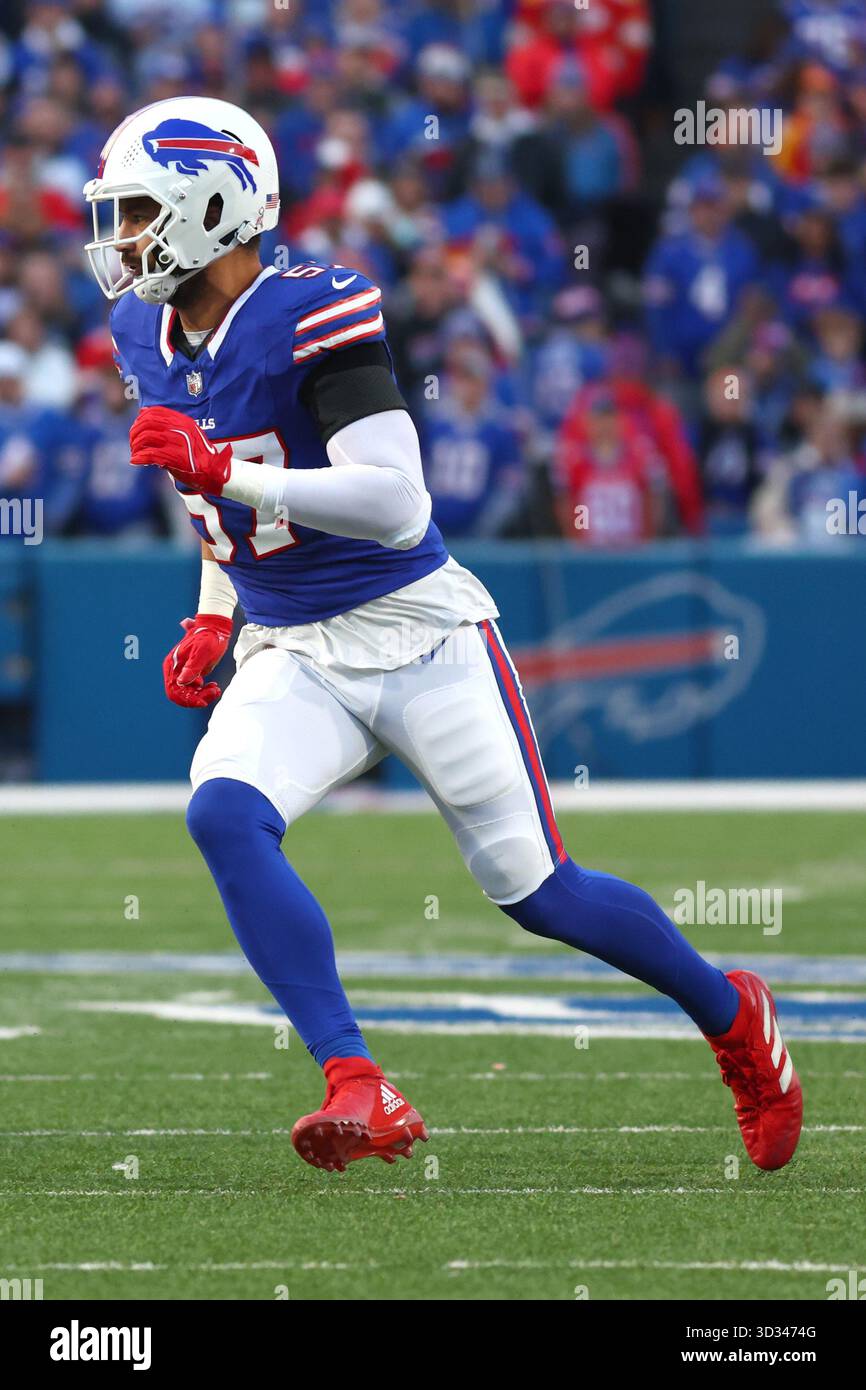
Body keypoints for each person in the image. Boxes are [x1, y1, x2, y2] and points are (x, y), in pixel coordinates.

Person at [84, 95, 803, 1175]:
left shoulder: (313, 308)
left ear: (213, 200)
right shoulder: (142, 326)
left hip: (418, 633)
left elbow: (396, 502)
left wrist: (220, 468)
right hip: (295, 648)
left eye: (138, 207)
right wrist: (212, 610)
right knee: (225, 814)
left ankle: (731, 1016)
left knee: (540, 894)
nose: (121, 234)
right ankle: (354, 1077)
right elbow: (219, 512)